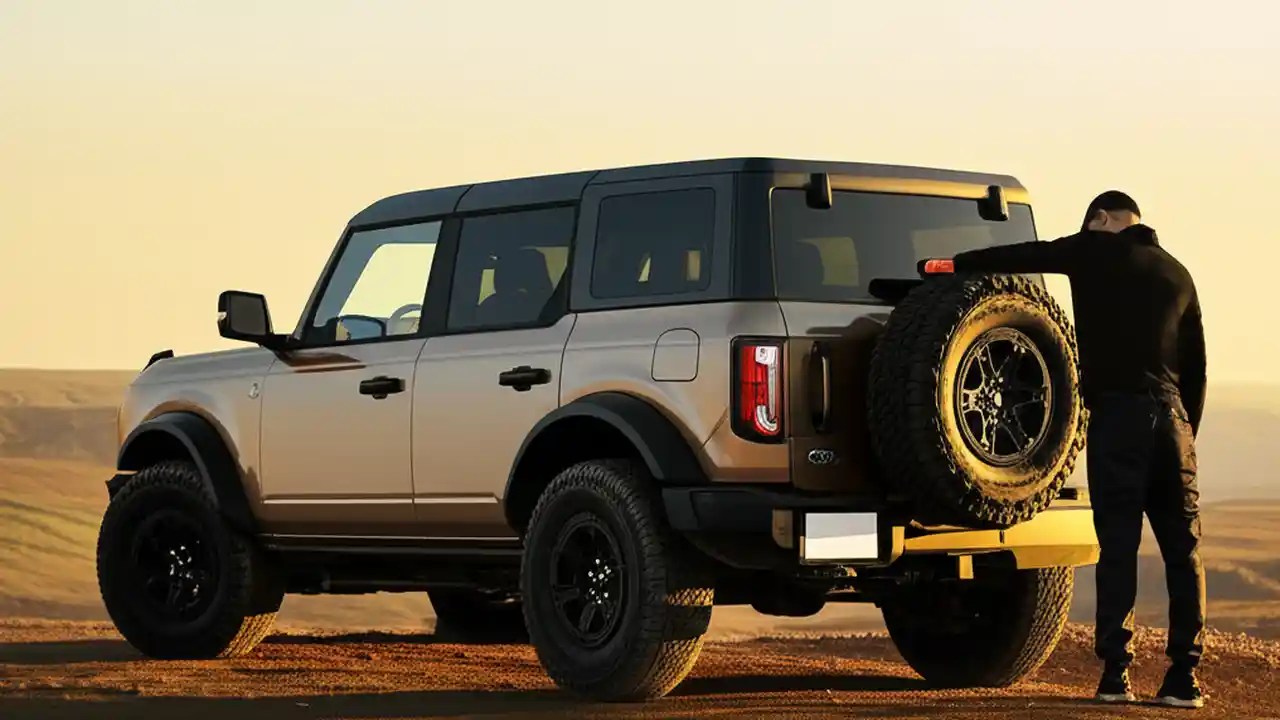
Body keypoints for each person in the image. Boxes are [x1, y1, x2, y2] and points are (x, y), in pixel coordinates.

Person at [938, 191, 1208, 709]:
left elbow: (1024, 255)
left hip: (1119, 420)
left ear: (1101, 220)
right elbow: (1195, 367)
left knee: (1118, 549)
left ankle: (1115, 674)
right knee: (1183, 551)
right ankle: (1184, 677)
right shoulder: (1178, 274)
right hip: (1174, 424)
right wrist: (1185, 432)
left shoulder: (1091, 250)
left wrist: (955, 265)